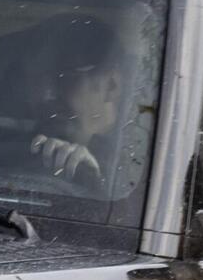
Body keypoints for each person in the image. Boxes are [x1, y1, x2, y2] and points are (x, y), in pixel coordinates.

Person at [10, 13, 125, 188]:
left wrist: (97, 184)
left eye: (64, 76)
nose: (45, 94)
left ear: (111, 85)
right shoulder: (1, 155)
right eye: (35, 79)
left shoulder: (141, 170)